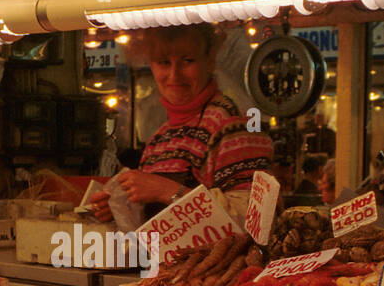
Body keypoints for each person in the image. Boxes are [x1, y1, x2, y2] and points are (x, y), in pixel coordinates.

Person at [88, 24, 272, 223]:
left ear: (209, 61)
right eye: (164, 62)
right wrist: (122, 205)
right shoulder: (160, 137)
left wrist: (166, 190)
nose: (174, 75)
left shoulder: (235, 126)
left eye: (187, 61)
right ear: (151, 64)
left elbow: (254, 218)